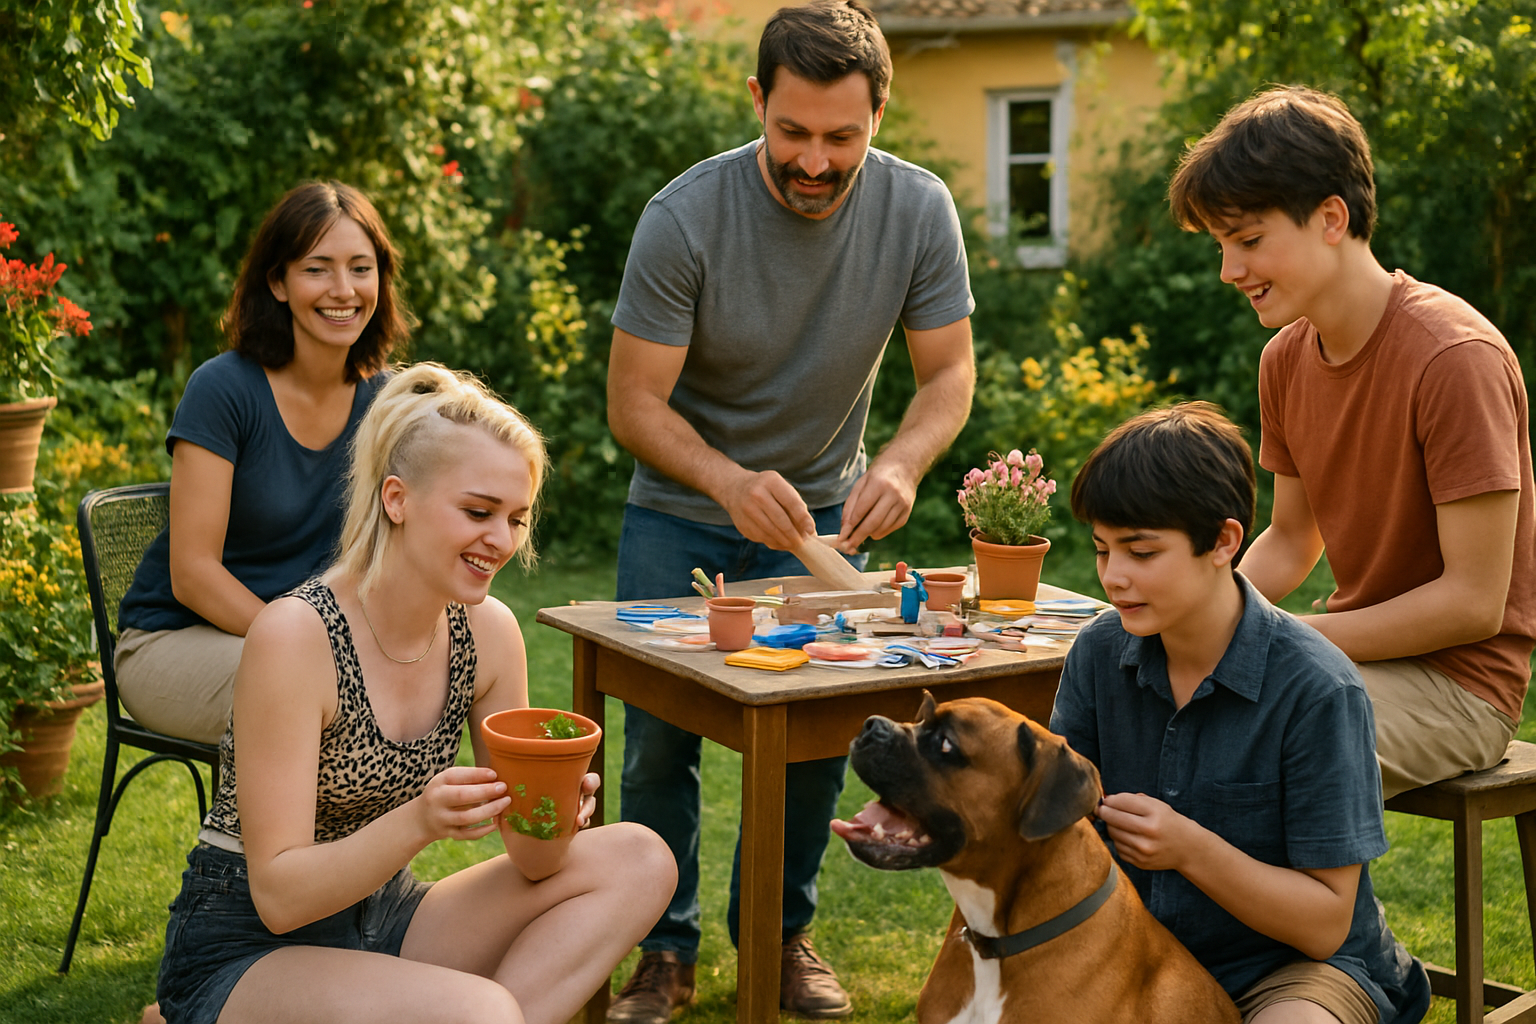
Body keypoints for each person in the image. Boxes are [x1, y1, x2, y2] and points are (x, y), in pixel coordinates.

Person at [603, 1, 975, 1019]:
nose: (816, 161)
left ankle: (777, 934)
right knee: (656, 745)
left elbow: (947, 374)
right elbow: (633, 402)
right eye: (794, 134)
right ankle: (661, 949)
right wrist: (725, 480)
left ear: (879, 117)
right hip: (683, 510)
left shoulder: (917, 209)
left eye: (843, 139)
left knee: (820, 731)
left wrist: (899, 463)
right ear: (758, 101)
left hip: (823, 517)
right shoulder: (684, 217)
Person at [150, 362, 676, 1024]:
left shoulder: (487, 634)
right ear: (396, 499)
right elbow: (280, 894)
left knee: (641, 859)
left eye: (515, 518)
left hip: (388, 916)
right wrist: (422, 819)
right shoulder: (295, 637)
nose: (501, 540)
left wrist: (552, 812)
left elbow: (534, 865)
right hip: (245, 945)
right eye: (478, 511)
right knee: (482, 1013)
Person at [1166, 85, 1535, 799]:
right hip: (1350, 662)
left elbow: (1474, 603)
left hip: (1462, 689)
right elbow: (1293, 536)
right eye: (1221, 246)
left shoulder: (1453, 357)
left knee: (1251, 749)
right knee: (1153, 712)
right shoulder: (1286, 360)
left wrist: (1277, 638)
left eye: (1248, 241)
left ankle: (1337, 918)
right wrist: (1203, 607)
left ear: (1331, 218)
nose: (1229, 271)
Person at [1050, 402, 1431, 1024]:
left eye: (1141, 553)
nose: (1113, 577)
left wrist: (1188, 848)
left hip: (1293, 972)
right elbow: (1060, 831)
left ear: (1224, 542)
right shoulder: (1098, 652)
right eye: (1102, 550)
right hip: (1133, 950)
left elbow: (1326, 925)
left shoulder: (1318, 688)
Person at [116, 181, 404, 745]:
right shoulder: (223, 389)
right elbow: (193, 573)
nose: (343, 290)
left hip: (307, 645)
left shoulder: (386, 403)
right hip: (174, 640)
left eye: (360, 268)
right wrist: (307, 640)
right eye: (317, 269)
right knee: (313, 691)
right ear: (277, 282)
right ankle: (259, 838)